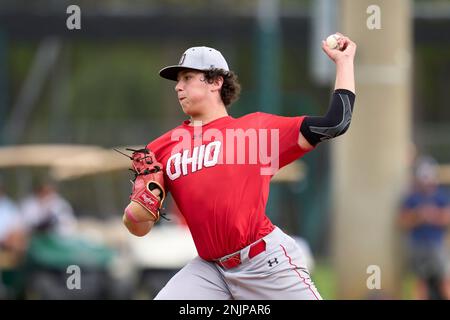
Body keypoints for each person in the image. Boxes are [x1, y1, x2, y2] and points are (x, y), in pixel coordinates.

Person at [123, 34, 356, 299]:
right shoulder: (160, 149)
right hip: (210, 270)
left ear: (215, 81)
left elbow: (335, 122)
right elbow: (138, 228)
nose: (178, 86)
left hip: (264, 263)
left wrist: (344, 62)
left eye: (187, 78)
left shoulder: (255, 130)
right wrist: (137, 212)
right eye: (178, 81)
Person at [399, 156, 450, 300]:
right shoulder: (412, 198)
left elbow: (446, 218)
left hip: (437, 245)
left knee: (444, 280)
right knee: (420, 282)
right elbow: (403, 221)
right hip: (418, 245)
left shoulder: (441, 196)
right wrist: (419, 215)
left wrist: (433, 215)